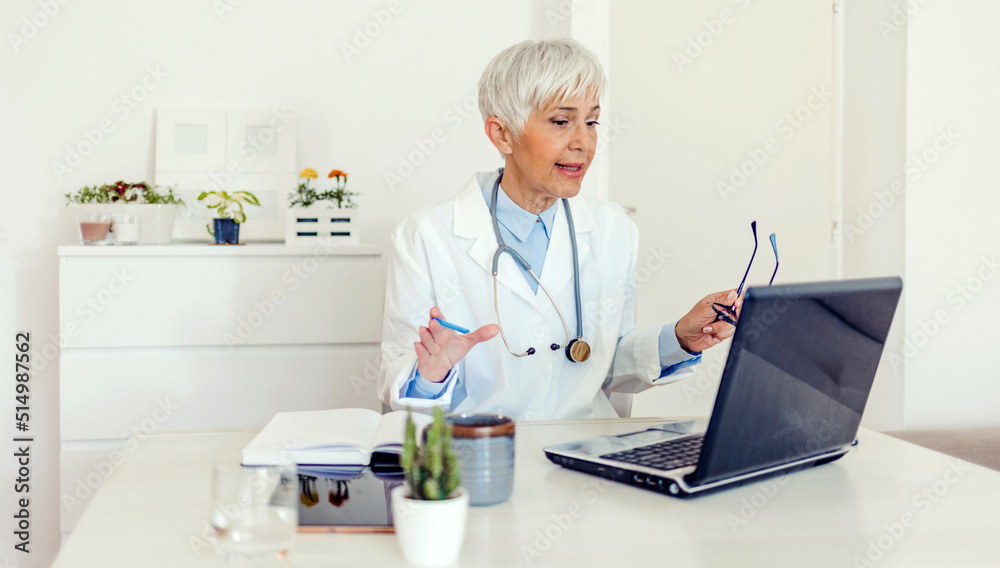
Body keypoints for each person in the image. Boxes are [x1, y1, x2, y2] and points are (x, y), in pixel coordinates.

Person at [377, 39, 739, 420]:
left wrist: (680, 338)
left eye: (592, 122)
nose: (584, 143)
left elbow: (607, 364)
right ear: (502, 135)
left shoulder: (613, 229)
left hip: (583, 450)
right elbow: (398, 378)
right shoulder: (425, 237)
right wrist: (431, 374)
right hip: (482, 448)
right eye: (561, 122)